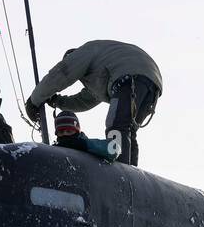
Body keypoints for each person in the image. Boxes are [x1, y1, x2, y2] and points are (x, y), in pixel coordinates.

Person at [24, 40, 161, 166]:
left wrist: (34, 101)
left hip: (129, 76)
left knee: (116, 125)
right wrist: (56, 101)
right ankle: (132, 175)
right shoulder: (100, 70)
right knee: (128, 131)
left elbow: (61, 74)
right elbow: (84, 101)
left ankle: (121, 173)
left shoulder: (81, 54)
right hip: (152, 82)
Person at [52, 110, 117, 162]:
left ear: (77, 132)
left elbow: (114, 149)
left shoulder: (86, 145)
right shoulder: (54, 151)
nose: (65, 134)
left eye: (69, 131)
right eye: (61, 132)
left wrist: (84, 144)